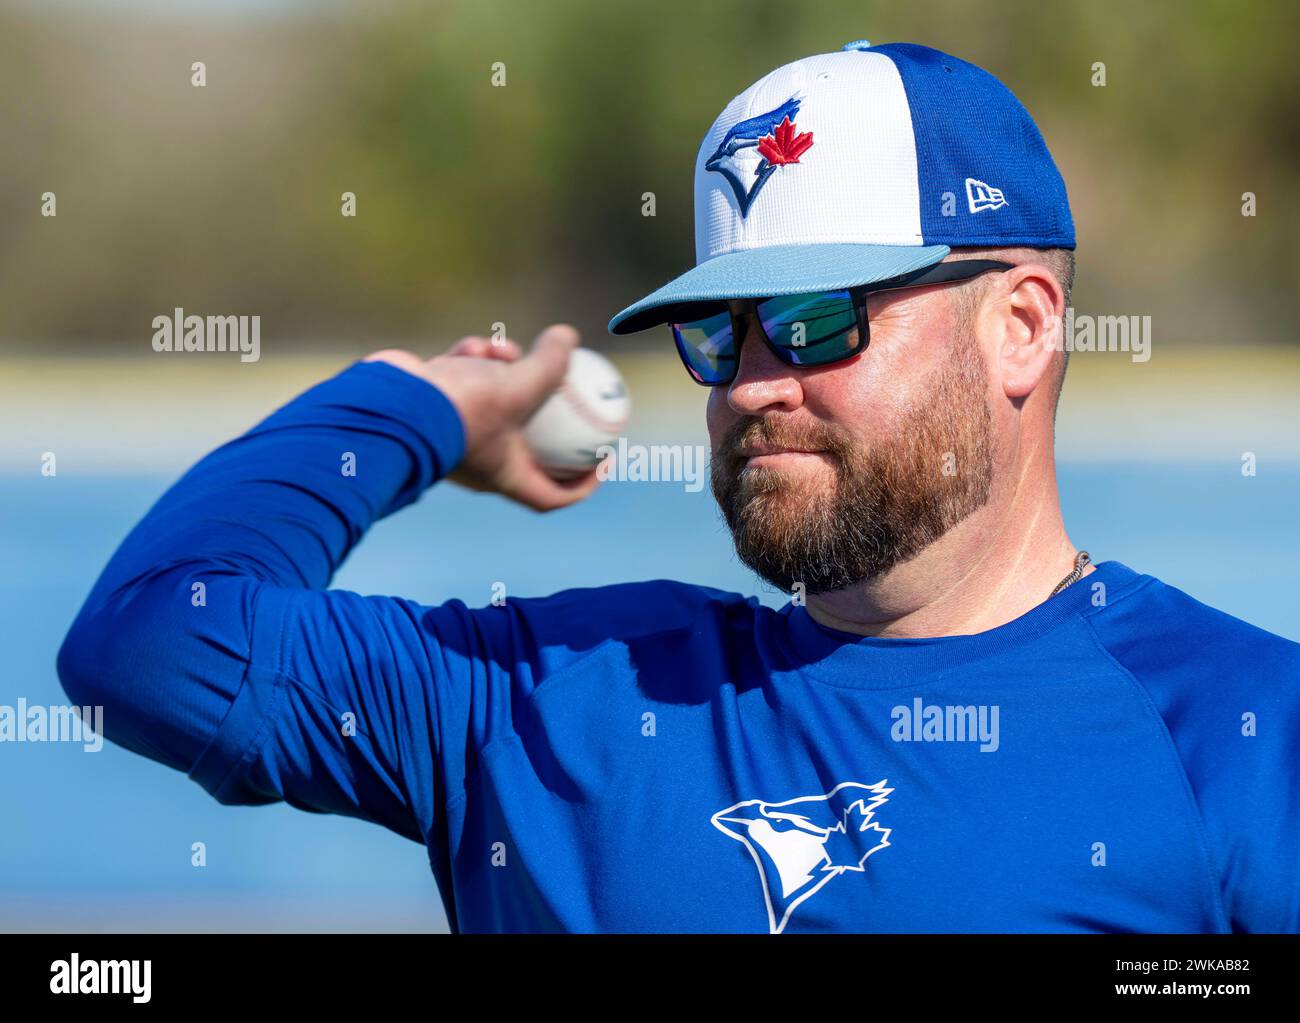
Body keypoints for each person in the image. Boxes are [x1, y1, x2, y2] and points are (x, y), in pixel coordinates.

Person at [59, 41, 1298, 934]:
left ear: (1021, 327)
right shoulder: (555, 700)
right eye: (718, 332)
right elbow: (151, 642)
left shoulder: (1236, 733)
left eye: (817, 320)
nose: (753, 382)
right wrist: (410, 409)